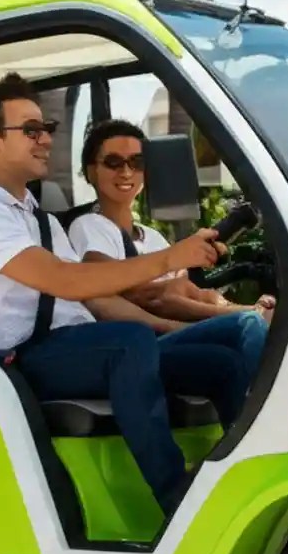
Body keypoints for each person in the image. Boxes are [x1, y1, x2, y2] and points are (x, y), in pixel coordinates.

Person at [0, 72, 251, 515]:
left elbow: (94, 296)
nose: (45, 139)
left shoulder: (40, 220)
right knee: (129, 343)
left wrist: (176, 321)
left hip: (80, 347)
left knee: (220, 359)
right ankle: (178, 498)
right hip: (23, 361)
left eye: (45, 129)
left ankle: (246, 475)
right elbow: (68, 282)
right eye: (31, 130)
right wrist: (170, 259)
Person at [67, 118, 273, 374]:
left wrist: (228, 305)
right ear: (91, 172)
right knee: (249, 326)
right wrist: (245, 312)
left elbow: (190, 293)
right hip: (137, 344)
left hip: (174, 333)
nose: (126, 172)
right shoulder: (88, 226)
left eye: (136, 162)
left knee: (233, 353)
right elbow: (140, 293)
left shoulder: (154, 238)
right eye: (113, 162)